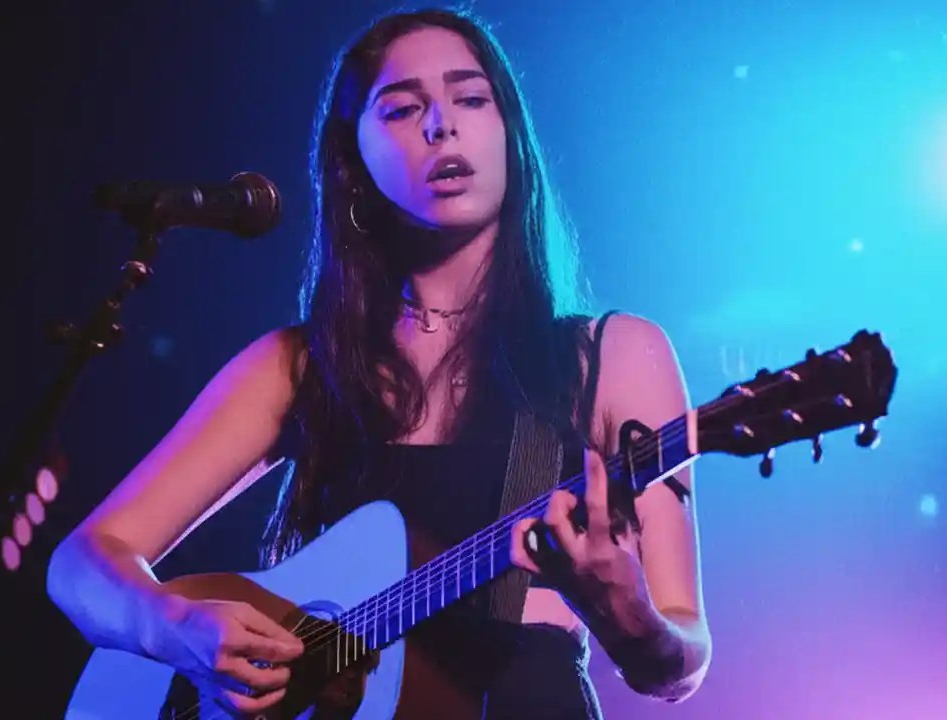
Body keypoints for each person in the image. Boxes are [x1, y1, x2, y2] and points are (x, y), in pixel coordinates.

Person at [47, 7, 711, 718]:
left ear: (510, 133)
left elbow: (678, 665)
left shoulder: (613, 355)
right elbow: (83, 562)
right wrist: (173, 628)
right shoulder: (298, 364)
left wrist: (627, 611)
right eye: (401, 109)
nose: (441, 125)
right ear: (353, 160)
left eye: (471, 97)